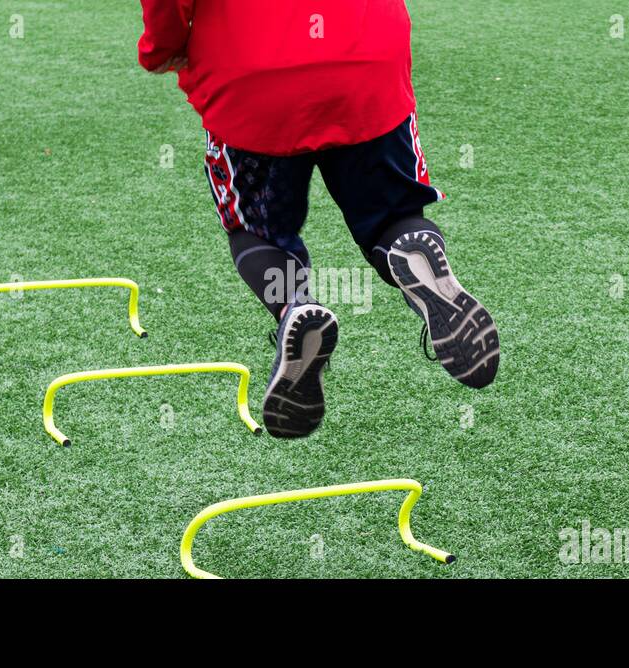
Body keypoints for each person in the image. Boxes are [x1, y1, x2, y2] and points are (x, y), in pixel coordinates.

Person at [139, 0, 499, 438]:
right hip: (367, 59)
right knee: (393, 215)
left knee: (257, 229)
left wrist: (162, 48)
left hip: (254, 76)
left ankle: (295, 305)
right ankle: (417, 261)